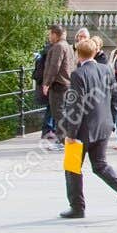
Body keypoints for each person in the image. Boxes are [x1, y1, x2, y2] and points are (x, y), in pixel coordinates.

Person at [57, 37, 117, 220]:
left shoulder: (78, 74)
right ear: (94, 52)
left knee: (72, 166)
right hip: (104, 125)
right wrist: (111, 121)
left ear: (77, 54)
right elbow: (115, 98)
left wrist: (70, 133)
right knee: (100, 165)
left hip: (83, 128)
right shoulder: (106, 69)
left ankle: (77, 207)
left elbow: (76, 105)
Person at [39, 25, 76, 153]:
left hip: (58, 84)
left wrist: (46, 83)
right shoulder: (68, 46)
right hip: (66, 84)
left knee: (58, 113)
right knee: (62, 112)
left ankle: (62, 141)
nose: (49, 37)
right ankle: (64, 140)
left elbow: (54, 66)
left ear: (56, 34)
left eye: (50, 34)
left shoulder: (59, 46)